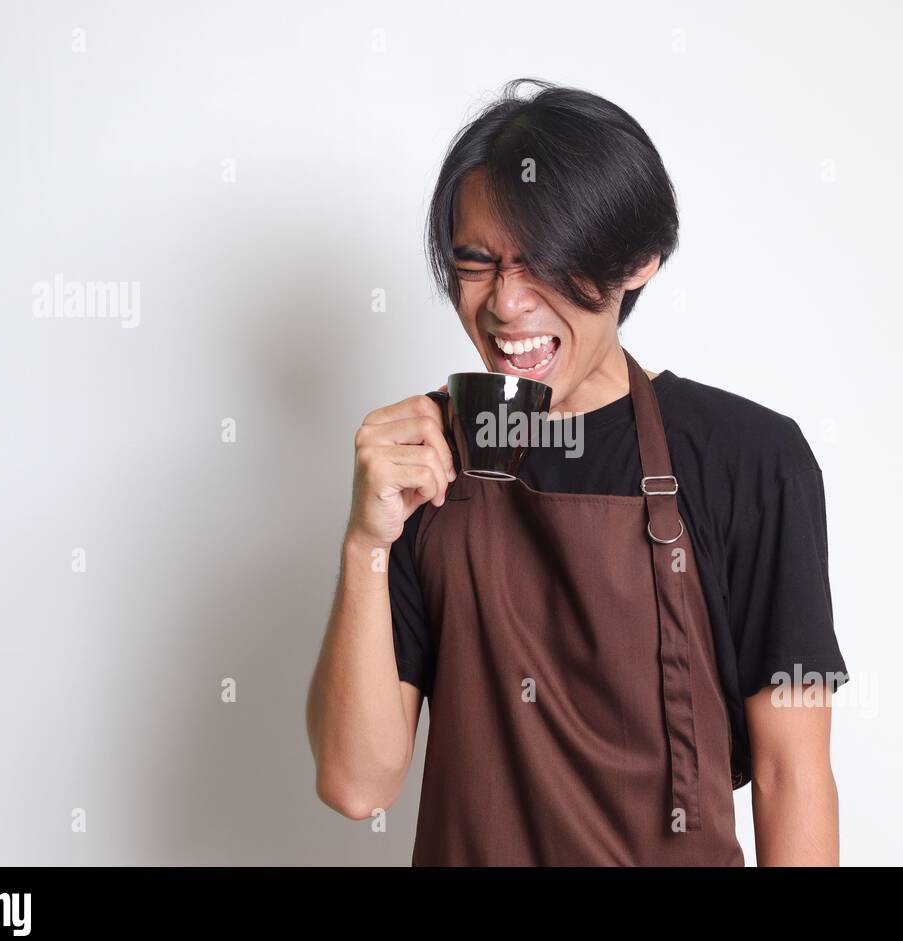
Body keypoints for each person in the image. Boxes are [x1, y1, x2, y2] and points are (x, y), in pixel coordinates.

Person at [307, 78, 850, 866]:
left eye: (543, 264)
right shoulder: (420, 459)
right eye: (478, 263)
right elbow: (358, 786)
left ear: (638, 262)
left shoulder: (753, 458)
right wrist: (367, 540)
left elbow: (792, 772)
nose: (506, 304)